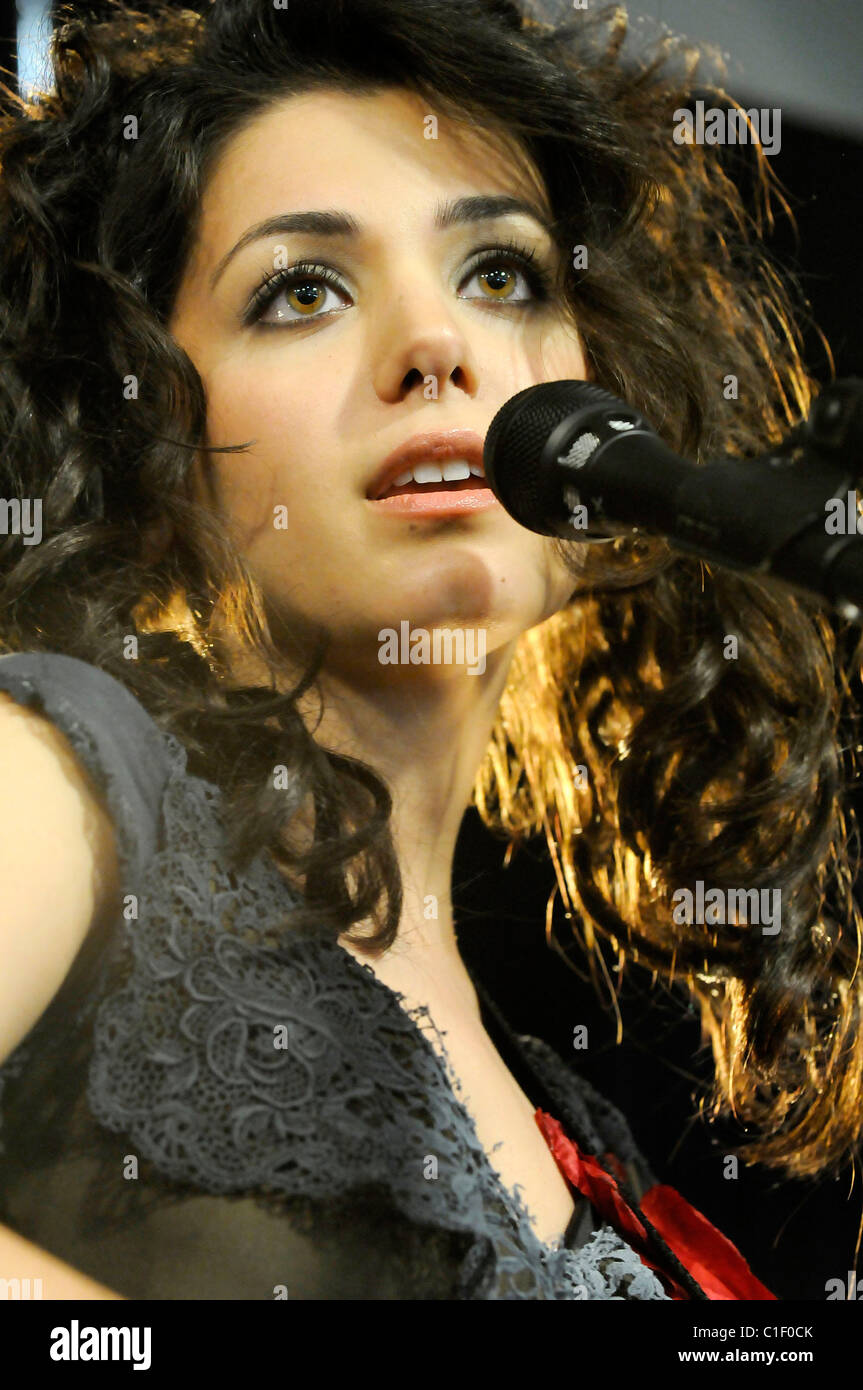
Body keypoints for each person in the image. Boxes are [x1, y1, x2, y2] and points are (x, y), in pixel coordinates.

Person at [0, 0, 859, 1301]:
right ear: (150, 450)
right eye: (303, 291)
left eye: (503, 275)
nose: (437, 346)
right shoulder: (64, 780)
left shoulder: (585, 1141)